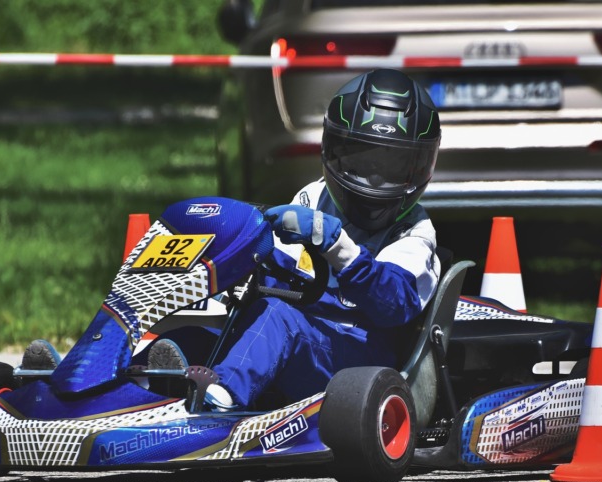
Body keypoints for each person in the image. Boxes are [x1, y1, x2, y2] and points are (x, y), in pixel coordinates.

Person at [162, 68, 442, 410]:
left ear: (420, 166)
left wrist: (335, 245)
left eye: (393, 165)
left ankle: (220, 403)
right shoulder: (315, 196)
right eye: (363, 158)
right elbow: (279, 270)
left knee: (277, 316)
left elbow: (393, 303)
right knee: (192, 337)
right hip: (301, 343)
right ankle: (141, 384)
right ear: (334, 149)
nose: (374, 176)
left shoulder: (414, 230)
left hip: (360, 362)